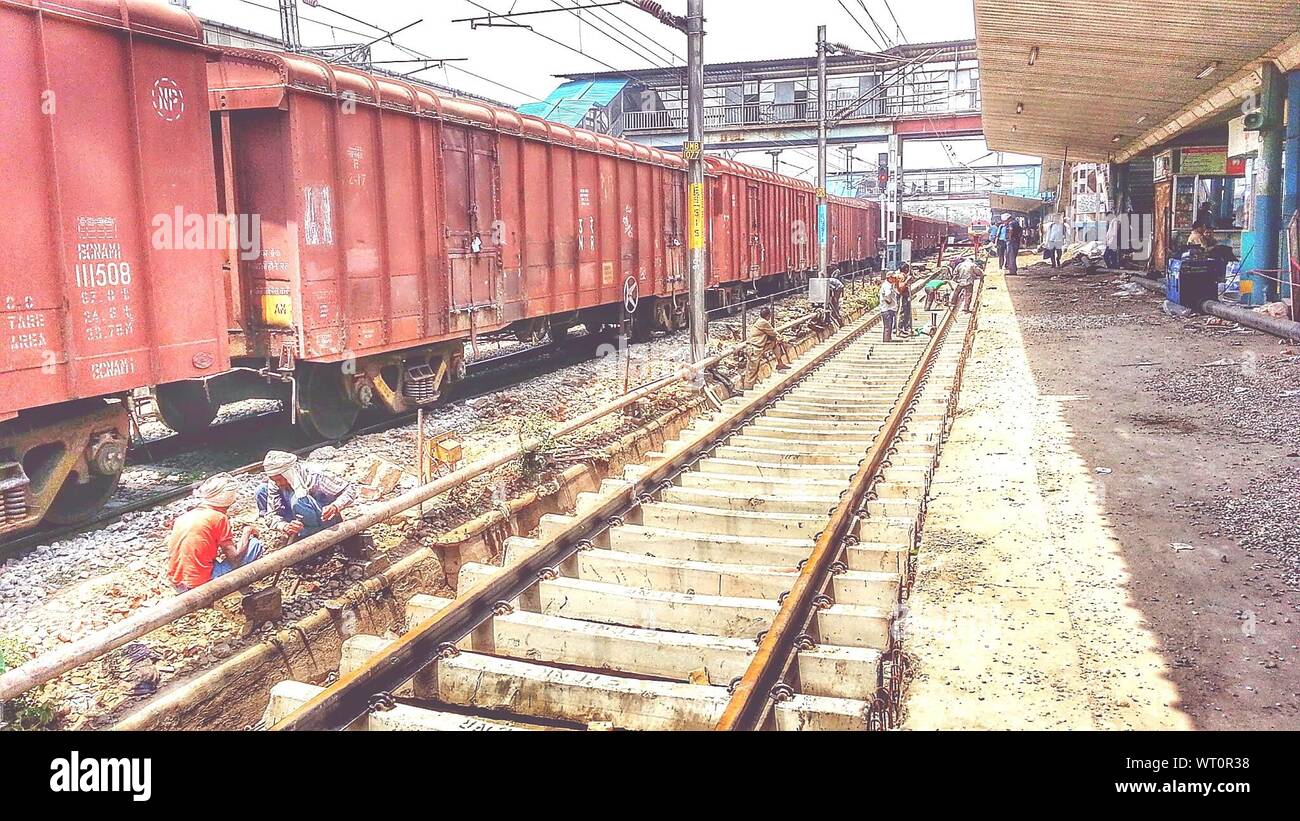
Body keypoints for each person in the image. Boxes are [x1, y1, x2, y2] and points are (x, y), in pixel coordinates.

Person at [166, 474, 263, 593]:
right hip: (199, 585)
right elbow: (235, 558)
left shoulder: (184, 517)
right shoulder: (219, 518)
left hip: (177, 582)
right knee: (255, 544)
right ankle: (237, 586)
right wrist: (247, 532)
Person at [257, 450, 356, 542]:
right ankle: (296, 531)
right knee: (261, 491)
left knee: (299, 500)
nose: (277, 483)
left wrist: (335, 506)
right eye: (274, 480)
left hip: (323, 519)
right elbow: (271, 515)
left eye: (279, 479)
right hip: (297, 520)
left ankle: (312, 535)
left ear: (289, 474)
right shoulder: (275, 483)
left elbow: (350, 490)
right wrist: (284, 526)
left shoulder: (315, 476)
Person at [744, 306, 791, 387]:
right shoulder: (763, 323)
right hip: (754, 348)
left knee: (775, 343)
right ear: (768, 316)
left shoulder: (760, 321)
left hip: (759, 347)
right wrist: (782, 338)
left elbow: (773, 336)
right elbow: (773, 332)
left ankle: (780, 363)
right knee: (752, 370)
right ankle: (748, 388)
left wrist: (777, 339)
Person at [895, 264, 914, 337]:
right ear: (906, 269)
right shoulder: (901, 276)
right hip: (902, 296)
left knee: (907, 312)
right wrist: (906, 281)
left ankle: (905, 328)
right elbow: (900, 288)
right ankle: (899, 330)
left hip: (906, 296)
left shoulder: (904, 276)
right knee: (902, 313)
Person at [879, 274, 899, 342]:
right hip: (887, 309)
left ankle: (888, 339)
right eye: (893, 278)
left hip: (888, 308)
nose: (895, 279)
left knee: (889, 325)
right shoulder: (887, 286)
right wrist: (889, 301)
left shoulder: (889, 285)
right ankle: (886, 340)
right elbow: (887, 295)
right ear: (889, 278)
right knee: (888, 326)